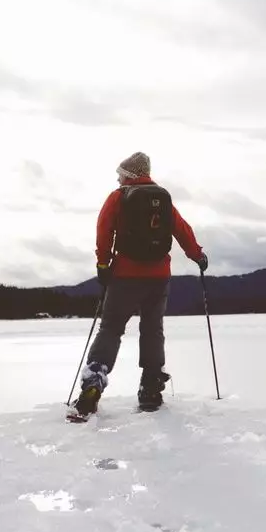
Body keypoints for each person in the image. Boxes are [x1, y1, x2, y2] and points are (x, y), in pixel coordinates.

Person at [70, 151, 208, 416]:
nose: (118, 179)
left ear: (130, 174)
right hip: (158, 277)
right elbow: (182, 230)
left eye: (121, 174)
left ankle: (94, 381)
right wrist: (197, 255)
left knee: (111, 328)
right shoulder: (163, 199)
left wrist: (102, 264)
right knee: (152, 329)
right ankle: (151, 388)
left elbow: (103, 231)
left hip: (125, 275)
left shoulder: (118, 197)